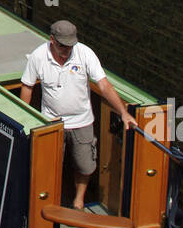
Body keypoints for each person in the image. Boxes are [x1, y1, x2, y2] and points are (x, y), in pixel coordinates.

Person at [20, 20, 137, 210]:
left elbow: (104, 85)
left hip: (82, 122)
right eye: (62, 46)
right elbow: (27, 87)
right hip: (51, 123)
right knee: (48, 166)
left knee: (85, 165)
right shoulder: (38, 56)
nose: (67, 50)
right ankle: (48, 203)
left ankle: (78, 200)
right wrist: (23, 119)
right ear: (52, 40)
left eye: (70, 46)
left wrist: (123, 112)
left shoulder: (85, 54)